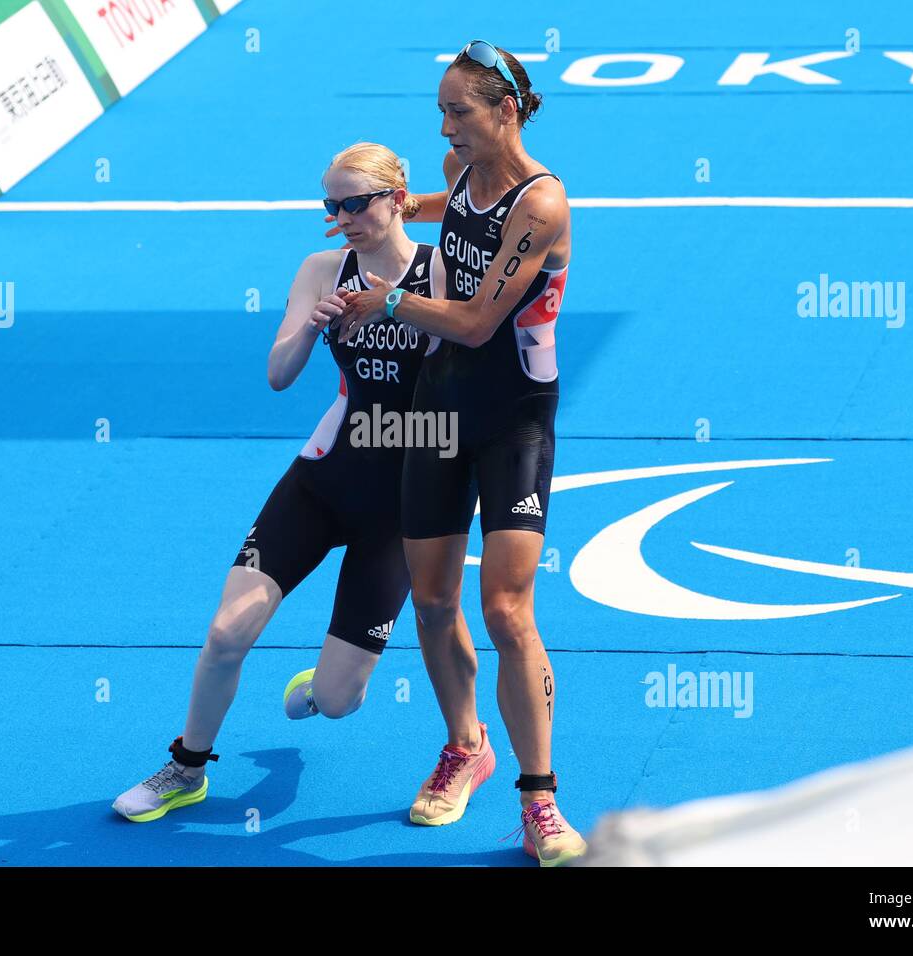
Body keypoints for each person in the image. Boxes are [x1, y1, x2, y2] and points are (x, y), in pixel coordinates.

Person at [112, 142, 445, 822]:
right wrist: (316, 322)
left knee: (340, 700)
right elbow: (279, 373)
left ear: (397, 197)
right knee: (229, 630)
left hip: (401, 507)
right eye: (332, 204)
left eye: (356, 202)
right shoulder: (323, 270)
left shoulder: (445, 274)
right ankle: (187, 766)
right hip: (325, 480)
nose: (343, 216)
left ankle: (322, 686)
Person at [336, 41, 586, 866]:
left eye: (458, 111)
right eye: (442, 110)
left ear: (504, 110)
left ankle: (539, 799)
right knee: (435, 603)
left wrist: (392, 298)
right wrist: (394, 208)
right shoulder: (463, 169)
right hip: (435, 411)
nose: (445, 125)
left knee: (509, 612)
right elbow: (456, 206)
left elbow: (478, 322)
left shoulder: (543, 204)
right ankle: (463, 745)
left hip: (513, 419)